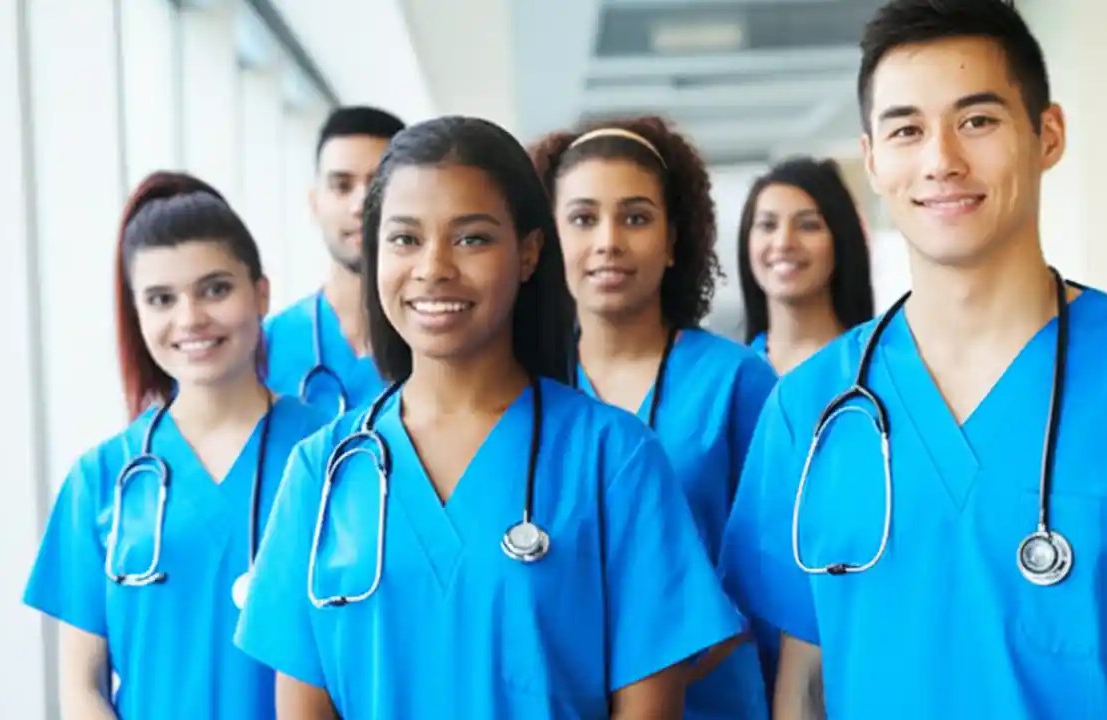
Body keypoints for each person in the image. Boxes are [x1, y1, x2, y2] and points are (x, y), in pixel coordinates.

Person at [719, 1, 1107, 718]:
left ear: (1048, 135)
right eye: (907, 130)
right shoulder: (809, 408)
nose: (941, 160)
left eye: (976, 120)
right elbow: (805, 684)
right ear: (873, 161)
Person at [233, 116, 746, 719]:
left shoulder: (613, 457)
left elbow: (649, 707)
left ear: (529, 252)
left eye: (471, 238)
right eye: (404, 239)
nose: (433, 267)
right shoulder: (322, 472)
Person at [22, 171, 327, 719]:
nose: (190, 319)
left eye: (215, 289)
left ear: (261, 293)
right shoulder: (101, 478)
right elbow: (82, 687)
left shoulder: (331, 458)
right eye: (162, 299)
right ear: (138, 314)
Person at [531, 116, 774, 719]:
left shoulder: (737, 382)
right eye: (582, 219)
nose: (608, 241)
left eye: (636, 218)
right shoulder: (526, 389)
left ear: (672, 243)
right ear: (546, 242)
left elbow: (770, 580)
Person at [264, 106, 405, 417]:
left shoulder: (442, 341)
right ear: (315, 203)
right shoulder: (263, 348)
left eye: (379, 185)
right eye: (342, 186)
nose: (360, 205)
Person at [738, 156, 876, 375]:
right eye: (768, 225)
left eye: (808, 226)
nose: (783, 242)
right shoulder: (732, 373)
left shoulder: (875, 368)